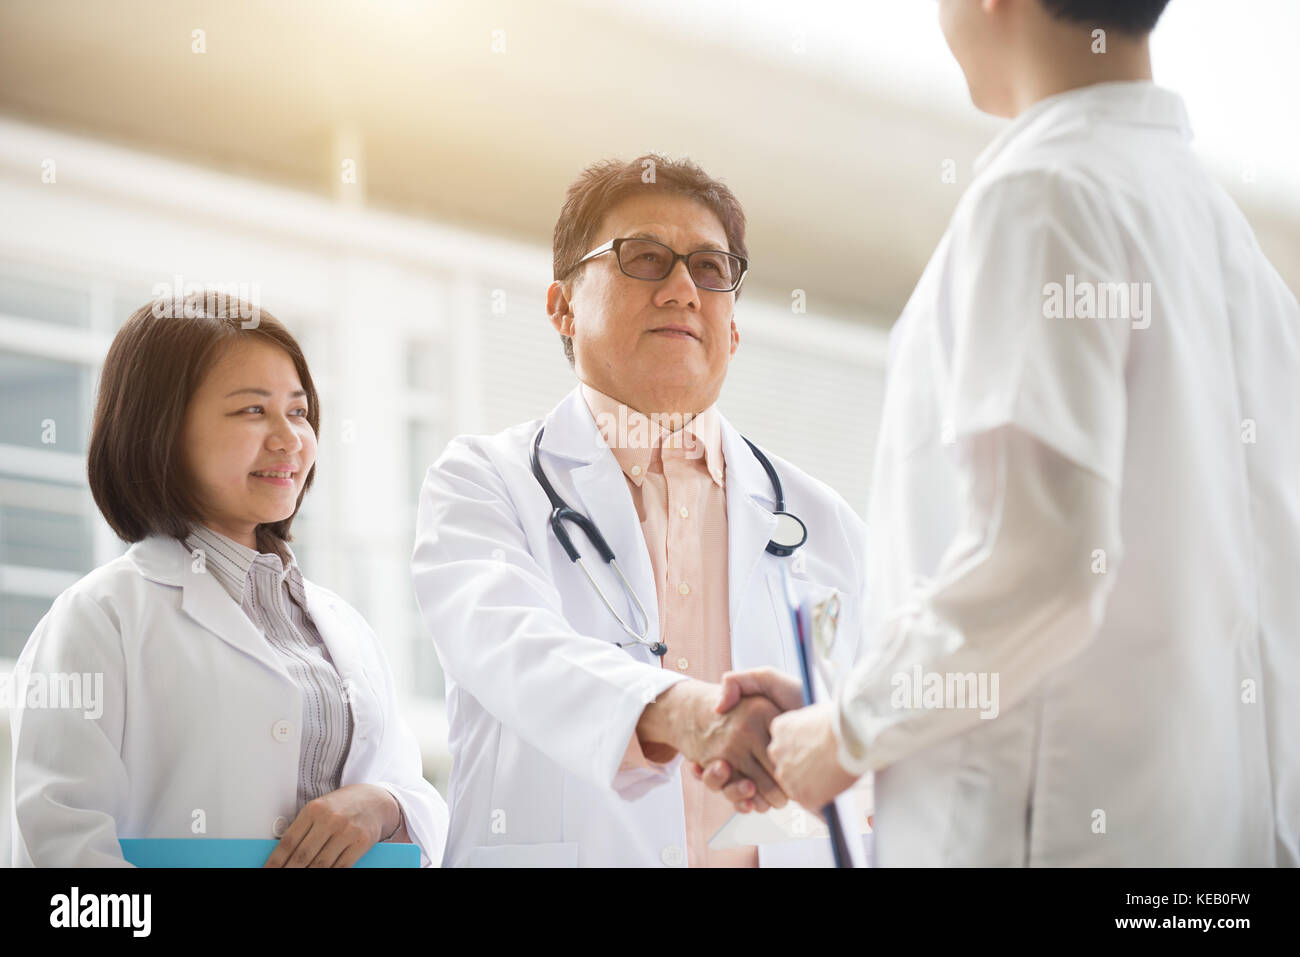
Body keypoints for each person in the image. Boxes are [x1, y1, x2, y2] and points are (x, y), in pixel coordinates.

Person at [711, 0, 1300, 866]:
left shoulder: (1044, 195)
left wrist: (848, 727)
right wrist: (859, 702)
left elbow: (1049, 562)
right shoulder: (1249, 270)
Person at [412, 155, 868, 867]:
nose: (684, 288)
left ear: (734, 327)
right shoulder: (484, 482)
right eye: (646, 259)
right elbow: (517, 652)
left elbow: (874, 746)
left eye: (711, 270)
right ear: (562, 304)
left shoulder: (824, 521)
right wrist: (689, 716)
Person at [10, 293, 449, 867]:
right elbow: (63, 852)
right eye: (251, 411)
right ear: (160, 429)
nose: (290, 438)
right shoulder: (100, 618)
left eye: (297, 411)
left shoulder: (342, 627)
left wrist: (384, 804)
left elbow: (418, 801)